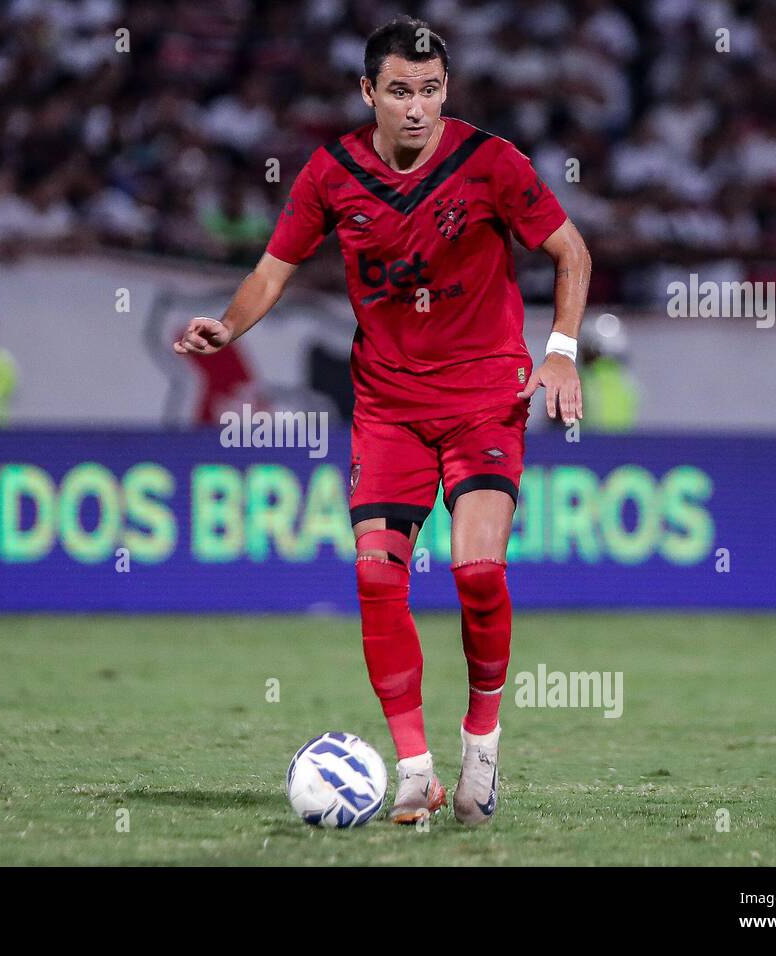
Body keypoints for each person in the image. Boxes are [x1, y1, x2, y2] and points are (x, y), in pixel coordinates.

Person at [172, 17, 591, 826]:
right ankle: (412, 771)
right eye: (400, 91)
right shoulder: (330, 174)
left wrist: (563, 348)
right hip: (388, 406)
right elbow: (273, 269)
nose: (417, 108)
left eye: (431, 90)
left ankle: (481, 751)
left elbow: (570, 250)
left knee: (476, 573)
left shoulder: (491, 163)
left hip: (483, 397)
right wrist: (230, 325)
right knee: (374, 578)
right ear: (368, 92)